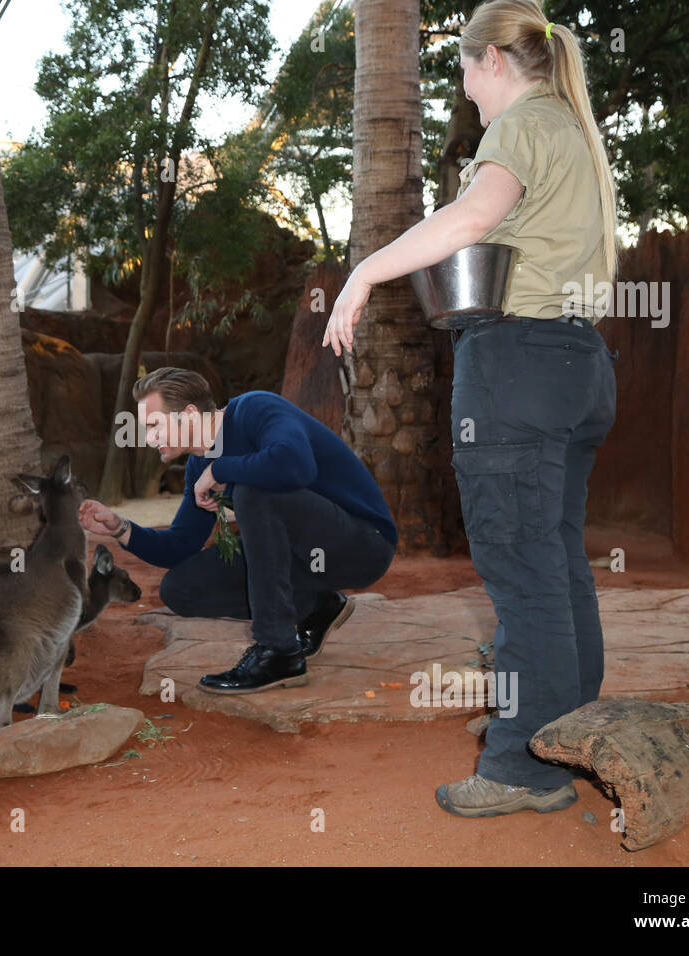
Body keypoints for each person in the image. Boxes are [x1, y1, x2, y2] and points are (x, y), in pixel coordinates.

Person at [322, 0, 620, 817]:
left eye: (462, 68)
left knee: (524, 578)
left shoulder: (521, 123)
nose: (464, 87)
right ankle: (567, 737)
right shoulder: (574, 129)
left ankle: (524, 770)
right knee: (556, 567)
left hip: (516, 364)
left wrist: (364, 274)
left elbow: (473, 217)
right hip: (579, 364)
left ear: (491, 60)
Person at [78, 367, 397, 693]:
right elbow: (181, 545)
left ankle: (279, 653)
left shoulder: (255, 409)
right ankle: (317, 604)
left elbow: (296, 464)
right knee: (181, 587)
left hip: (362, 545)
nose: (148, 438)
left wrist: (222, 468)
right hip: (304, 560)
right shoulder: (198, 464)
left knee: (253, 491)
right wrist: (119, 527)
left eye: (154, 425)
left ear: (188, 415)